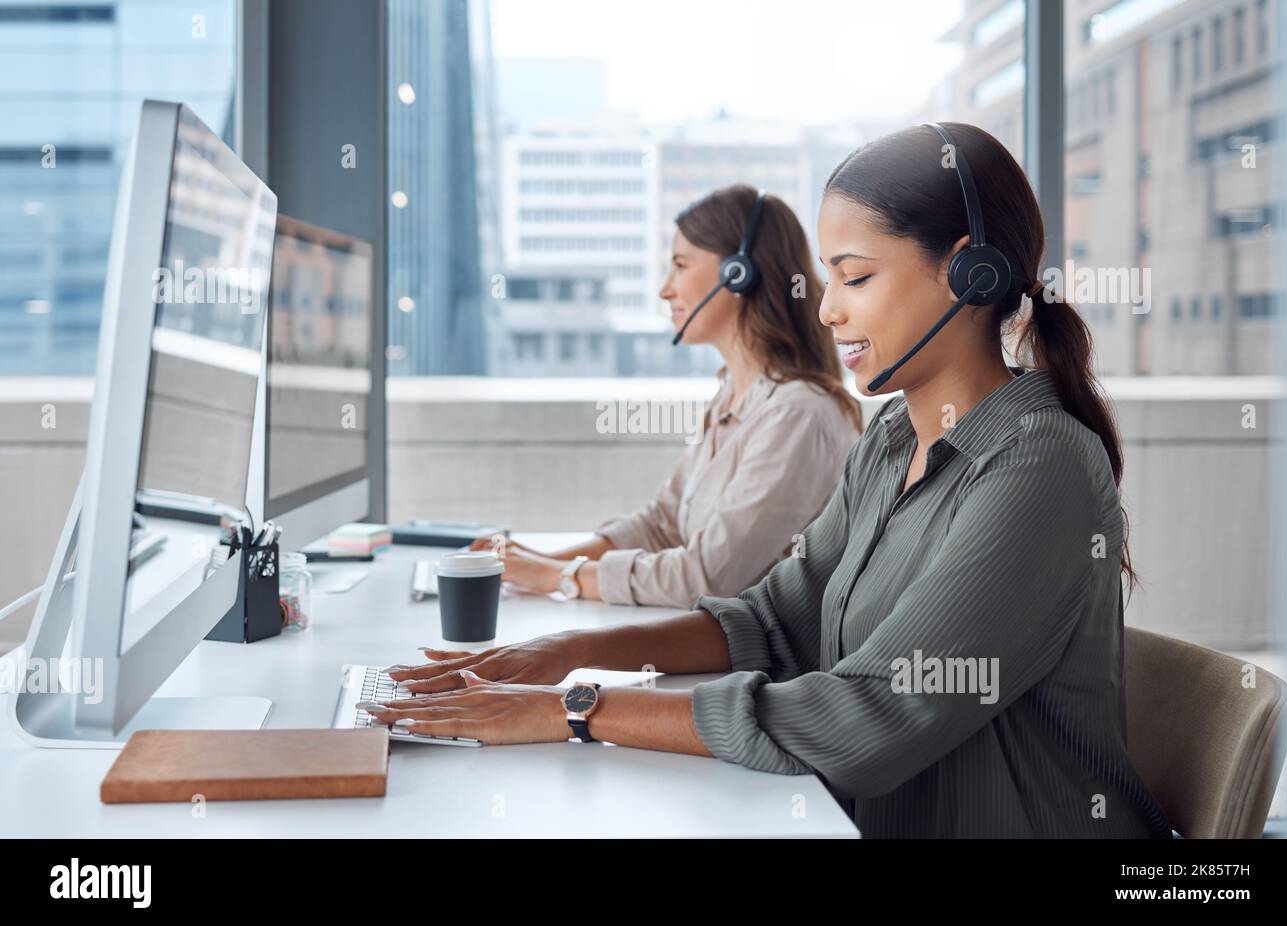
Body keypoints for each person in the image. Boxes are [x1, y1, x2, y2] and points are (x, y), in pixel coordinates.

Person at [368, 124, 1172, 839]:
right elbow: (776, 619)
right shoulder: (892, 442)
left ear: (967, 275)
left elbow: (870, 714)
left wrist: (572, 712)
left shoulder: (1039, 467)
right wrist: (566, 653)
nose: (826, 312)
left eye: (855, 278)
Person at [471, 185, 861, 609]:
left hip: (756, 667)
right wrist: (532, 563)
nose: (664, 289)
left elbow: (705, 577)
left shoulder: (798, 415)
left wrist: (556, 577)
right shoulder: (734, 394)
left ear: (737, 273)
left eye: (679, 266)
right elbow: (663, 523)